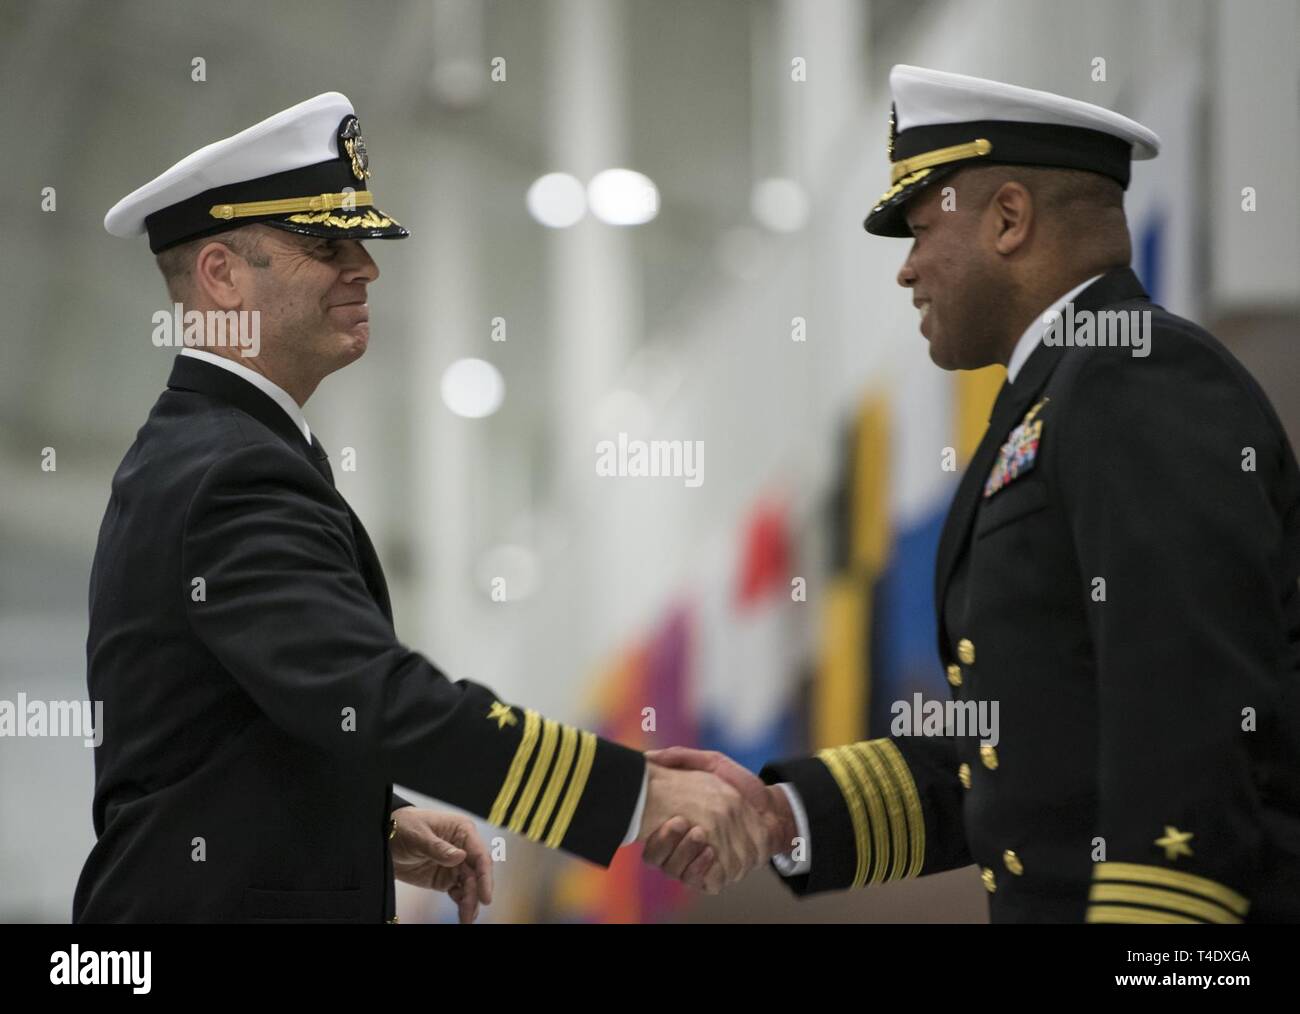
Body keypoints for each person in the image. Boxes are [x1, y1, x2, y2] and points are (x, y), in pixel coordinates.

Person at [77, 92, 769, 922]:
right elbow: (377, 694)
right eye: (325, 244)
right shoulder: (232, 472)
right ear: (222, 276)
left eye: (361, 242)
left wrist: (372, 817)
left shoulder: (214, 451)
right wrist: (635, 796)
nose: (364, 267)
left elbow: (229, 731)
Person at [645, 65, 1300, 924]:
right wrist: (782, 815)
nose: (906, 271)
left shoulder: (1137, 375)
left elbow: (1190, 703)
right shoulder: (1064, 395)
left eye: (919, 231)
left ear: (1008, 219)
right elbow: (1018, 742)